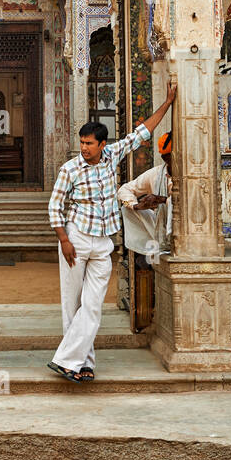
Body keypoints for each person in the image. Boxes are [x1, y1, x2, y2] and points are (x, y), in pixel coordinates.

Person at [46, 82, 177, 382]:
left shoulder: (112, 155)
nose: (84, 148)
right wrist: (64, 240)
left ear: (102, 144)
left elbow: (142, 132)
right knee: (73, 305)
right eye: (81, 142)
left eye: (89, 143)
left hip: (103, 243)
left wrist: (168, 102)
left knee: (92, 306)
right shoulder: (70, 169)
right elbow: (55, 207)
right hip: (76, 239)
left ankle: (70, 360)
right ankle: (79, 363)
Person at [117, 131, 173, 264]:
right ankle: (150, 250)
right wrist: (136, 205)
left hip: (187, 232)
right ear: (165, 158)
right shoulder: (156, 174)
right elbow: (124, 189)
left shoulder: (191, 174)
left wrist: (163, 200)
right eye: (171, 157)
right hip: (159, 230)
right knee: (127, 209)